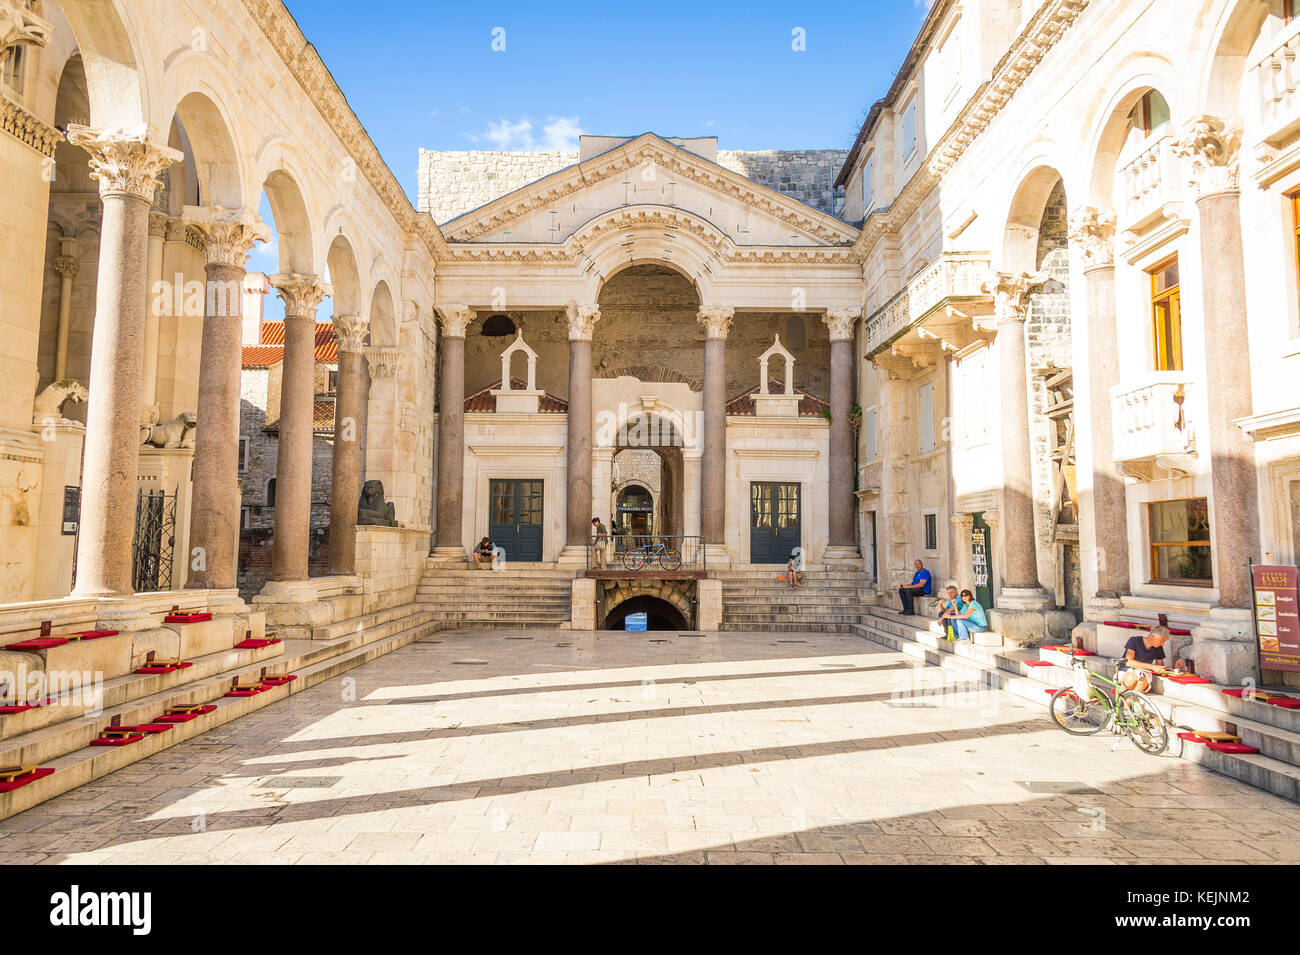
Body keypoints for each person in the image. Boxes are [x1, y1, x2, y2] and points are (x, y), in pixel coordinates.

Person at [1118, 625, 1170, 692]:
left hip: (1143, 673)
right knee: (1132, 678)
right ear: (1152, 636)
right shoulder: (1134, 641)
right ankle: (1124, 699)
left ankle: (1129, 701)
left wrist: (1168, 669)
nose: (1162, 644)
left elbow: (1159, 666)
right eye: (1161, 641)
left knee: (1142, 680)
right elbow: (1128, 662)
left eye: (1164, 642)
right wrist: (1152, 667)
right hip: (1126, 670)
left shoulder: (1158, 647)